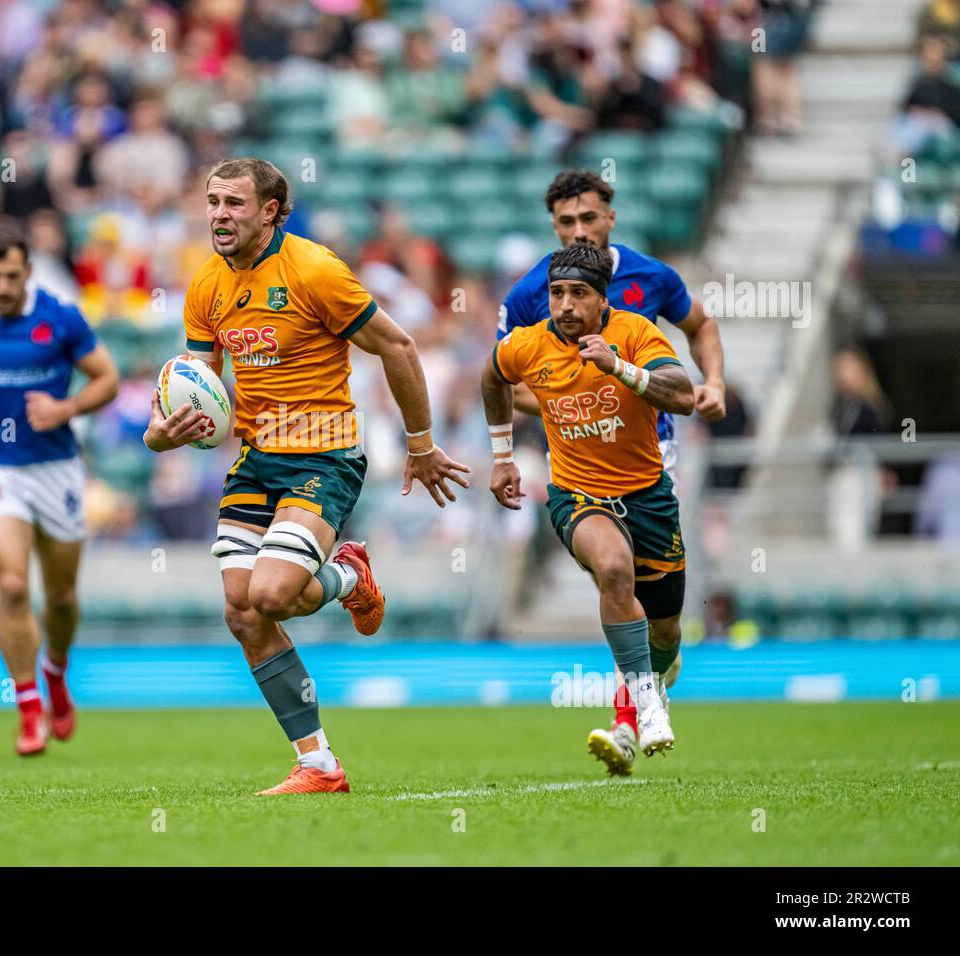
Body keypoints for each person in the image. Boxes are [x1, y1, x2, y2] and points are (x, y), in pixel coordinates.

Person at [143, 157, 470, 795]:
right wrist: (160, 433)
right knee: (243, 613)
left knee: (269, 594)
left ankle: (349, 575)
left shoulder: (314, 270)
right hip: (256, 458)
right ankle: (318, 764)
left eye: (234, 203)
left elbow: (398, 345)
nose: (218, 215)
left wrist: (422, 443)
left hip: (324, 453)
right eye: (212, 202)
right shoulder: (206, 284)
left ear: (271, 210)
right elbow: (197, 386)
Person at [497, 168, 726, 766]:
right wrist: (560, 397)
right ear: (553, 226)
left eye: (588, 218)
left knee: (663, 625)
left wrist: (715, 382)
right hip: (579, 460)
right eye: (566, 222)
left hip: (655, 451)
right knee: (613, 571)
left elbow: (699, 328)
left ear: (610, 218)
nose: (580, 230)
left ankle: (646, 687)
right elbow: (506, 377)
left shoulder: (650, 281)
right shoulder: (530, 294)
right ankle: (634, 718)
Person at [0, 227, 119, 756]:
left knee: (61, 597)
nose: (4, 286)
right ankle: (29, 706)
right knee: (13, 585)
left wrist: (66, 409)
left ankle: (56, 671)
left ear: (30, 270)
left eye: (12, 275)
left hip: (56, 468)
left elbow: (106, 377)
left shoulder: (60, 317)